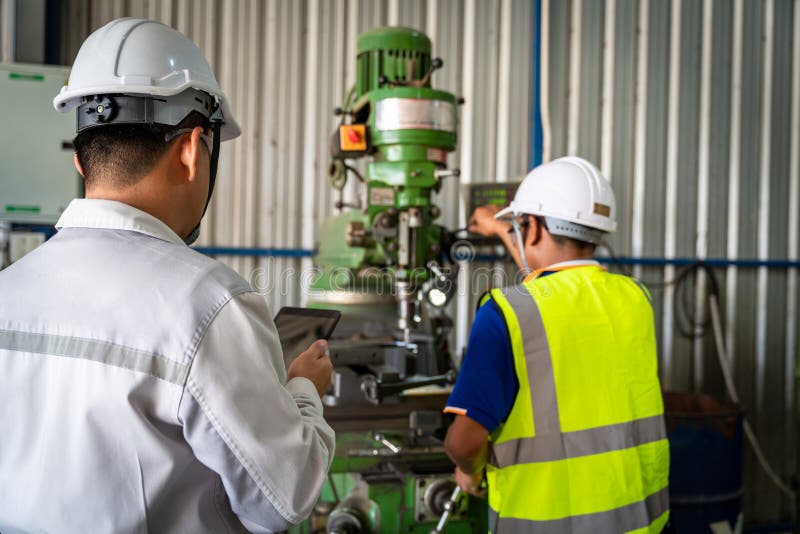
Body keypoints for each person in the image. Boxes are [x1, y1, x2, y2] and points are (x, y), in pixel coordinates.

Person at [0, 18, 334, 533]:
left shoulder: (9, 288)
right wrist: (303, 393)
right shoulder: (209, 304)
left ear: (85, 163)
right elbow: (282, 500)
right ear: (190, 150)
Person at [443, 157, 669, 532]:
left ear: (531, 229)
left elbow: (463, 444)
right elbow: (553, 288)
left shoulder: (504, 313)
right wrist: (504, 231)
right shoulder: (636, 300)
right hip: (641, 523)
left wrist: (470, 472)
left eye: (520, 226)